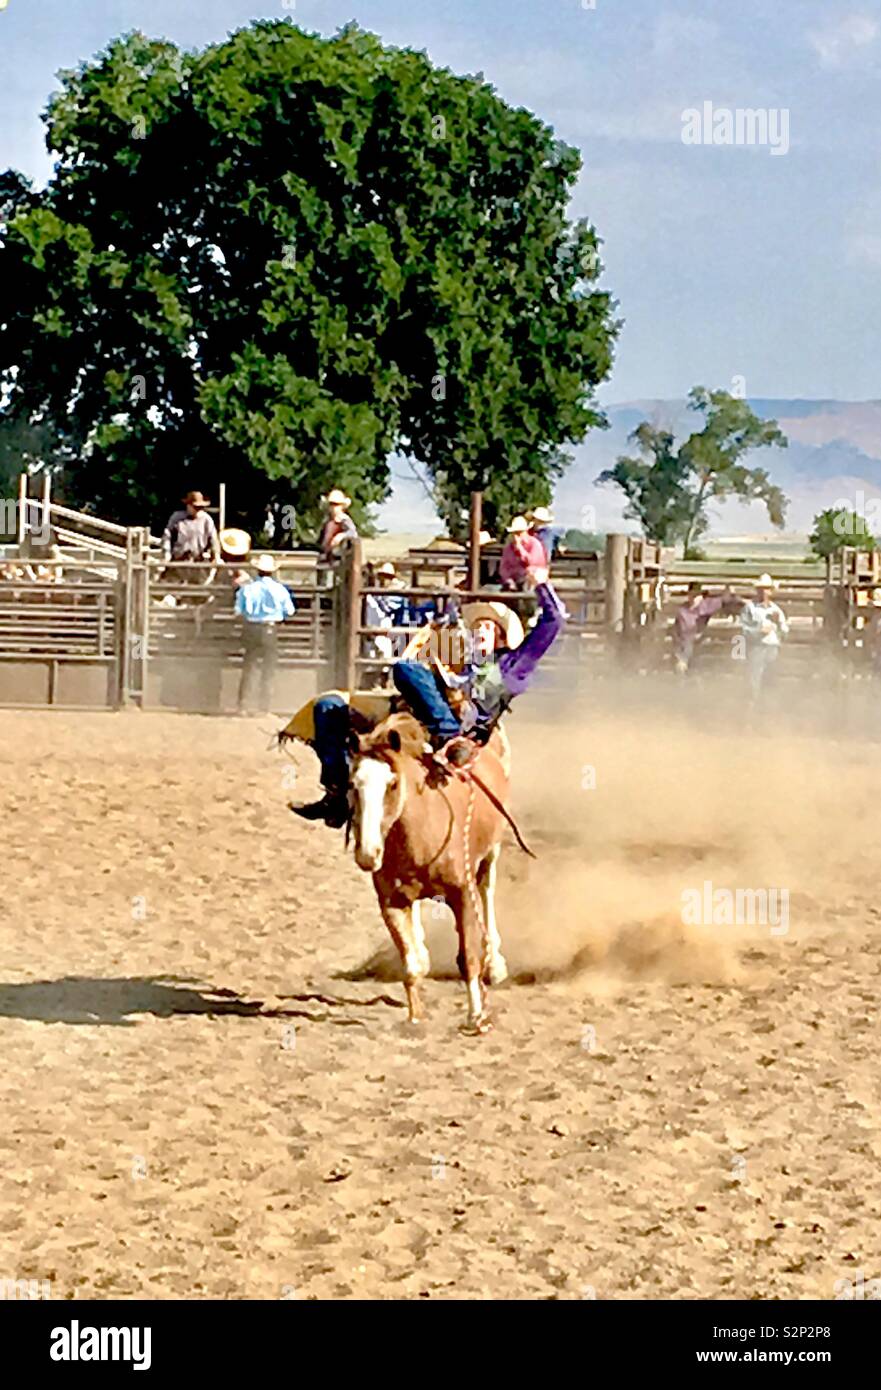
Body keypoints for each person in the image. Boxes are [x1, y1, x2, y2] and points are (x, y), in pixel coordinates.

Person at [291, 570, 565, 826]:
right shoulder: (459, 659)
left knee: (406, 668)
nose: (479, 631)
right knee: (329, 706)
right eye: (477, 626)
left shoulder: (513, 664)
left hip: (463, 724)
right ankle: (337, 791)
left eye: (488, 628)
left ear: (502, 638)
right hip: (422, 714)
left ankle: (451, 736)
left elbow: (553, 622)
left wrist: (542, 584)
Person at [235, 554, 295, 715]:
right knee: (268, 669)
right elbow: (290, 611)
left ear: (257, 571)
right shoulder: (280, 589)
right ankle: (264, 707)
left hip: (252, 628)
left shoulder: (247, 589)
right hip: (270, 629)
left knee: (249, 667)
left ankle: (243, 705)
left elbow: (239, 610)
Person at [739, 574, 788, 703]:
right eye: (761, 589)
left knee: (770, 682)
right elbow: (743, 629)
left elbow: (785, 633)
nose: (763, 592)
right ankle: (753, 709)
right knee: (753, 681)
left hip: (773, 648)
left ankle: (766, 710)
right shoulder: (750, 608)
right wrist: (758, 632)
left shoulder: (777, 610)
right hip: (756, 648)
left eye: (766, 589)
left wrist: (778, 624)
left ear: (771, 591)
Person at [672, 583, 740, 674]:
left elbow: (725, 599)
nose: (694, 598)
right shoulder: (682, 611)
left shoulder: (706, 606)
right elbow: (676, 634)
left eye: (696, 595)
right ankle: (683, 663)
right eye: (692, 595)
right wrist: (679, 657)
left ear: (701, 596)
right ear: (688, 596)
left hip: (701, 646)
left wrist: (729, 591)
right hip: (686, 645)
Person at [162, 491, 221, 575]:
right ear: (188, 505)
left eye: (200, 507)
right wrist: (166, 553)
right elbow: (167, 536)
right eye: (195, 507)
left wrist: (216, 556)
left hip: (199, 563)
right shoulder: (177, 518)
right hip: (178, 562)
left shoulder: (206, 520)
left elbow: (213, 539)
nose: (198, 510)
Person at [500, 515, 546, 590]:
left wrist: (520, 549)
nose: (516, 536)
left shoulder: (534, 544)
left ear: (526, 532)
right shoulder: (509, 548)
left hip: (531, 580)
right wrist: (508, 579)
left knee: (530, 579)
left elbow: (531, 562)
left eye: (519, 533)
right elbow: (503, 567)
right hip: (514, 580)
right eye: (514, 533)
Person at [317, 489, 358, 561]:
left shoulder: (344, 519)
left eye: (336, 505)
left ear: (342, 506)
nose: (333, 508)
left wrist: (341, 536)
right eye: (331, 504)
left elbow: (353, 533)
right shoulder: (328, 521)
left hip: (339, 558)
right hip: (326, 556)